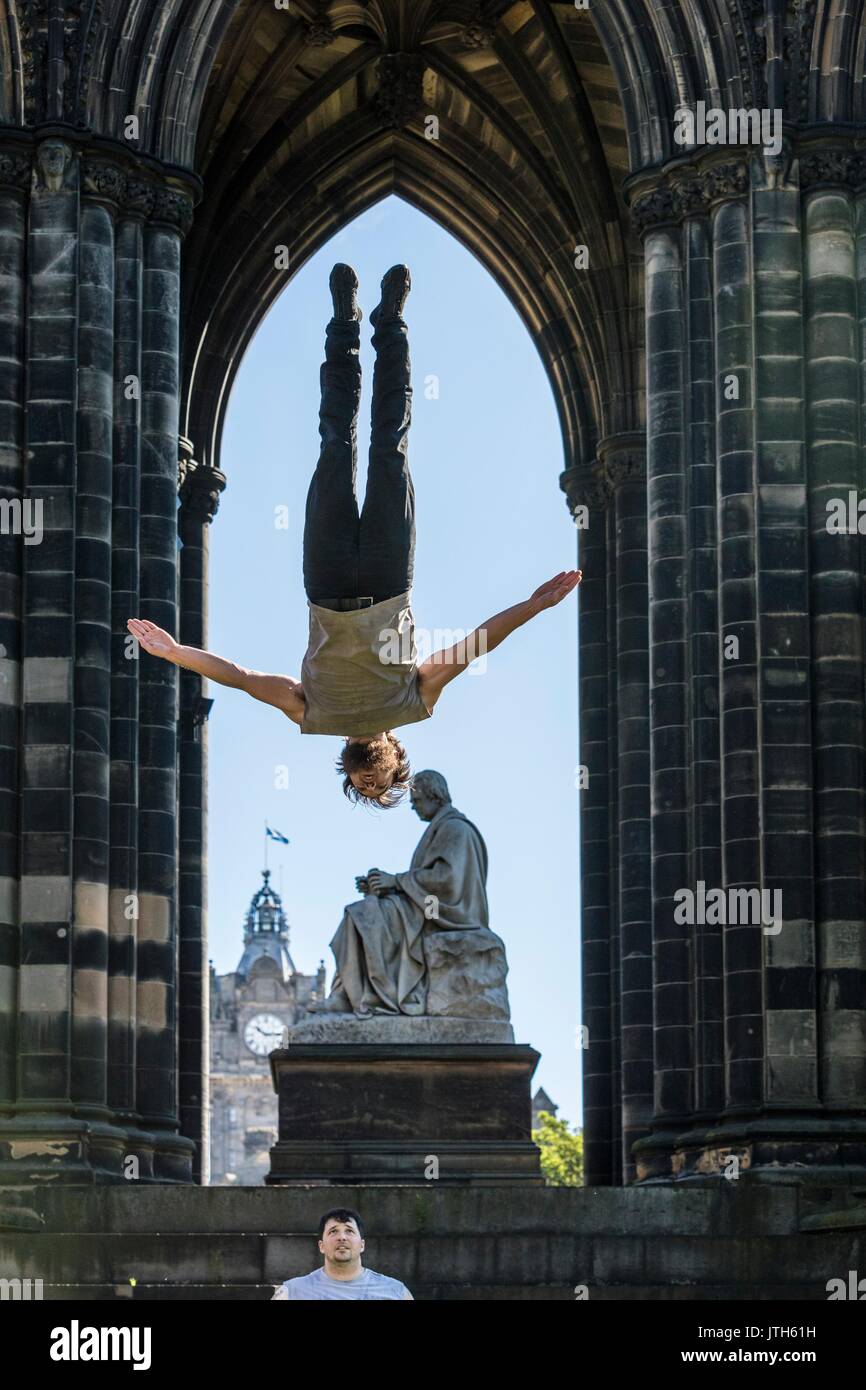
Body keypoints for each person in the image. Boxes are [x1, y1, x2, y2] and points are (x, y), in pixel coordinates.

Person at [127, 264, 581, 809]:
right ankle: (392, 325)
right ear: (395, 756)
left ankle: (343, 325)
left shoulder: (311, 715)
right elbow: (476, 644)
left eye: (361, 786)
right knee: (390, 447)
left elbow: (241, 678)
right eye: (379, 782)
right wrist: (534, 604)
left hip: (325, 579)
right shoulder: (417, 702)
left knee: (333, 446)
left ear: (346, 769)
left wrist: (176, 651)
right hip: (390, 578)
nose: (368, 780)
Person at [270, 1208, 413, 1301]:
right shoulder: (292, 1292)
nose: (342, 1237)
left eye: (349, 1231)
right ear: (321, 1246)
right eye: (333, 1231)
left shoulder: (395, 1291)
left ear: (362, 1245)